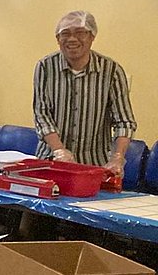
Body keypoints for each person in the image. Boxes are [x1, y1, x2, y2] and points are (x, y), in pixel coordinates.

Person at [33, 10, 135, 174]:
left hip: (94, 165)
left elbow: (124, 122)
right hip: (51, 160)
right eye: (65, 34)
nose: (72, 39)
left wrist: (117, 157)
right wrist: (59, 150)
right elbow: (42, 114)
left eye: (80, 33)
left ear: (92, 36)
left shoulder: (111, 71)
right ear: (58, 39)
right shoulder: (45, 67)